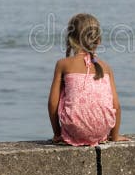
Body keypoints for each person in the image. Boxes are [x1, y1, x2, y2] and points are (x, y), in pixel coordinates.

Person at [48, 14, 127, 146]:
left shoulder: (63, 64)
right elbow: (116, 106)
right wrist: (114, 136)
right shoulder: (106, 68)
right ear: (98, 40)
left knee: (64, 92)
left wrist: (57, 134)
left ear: (70, 39)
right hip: (102, 130)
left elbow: (52, 104)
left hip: (74, 129)